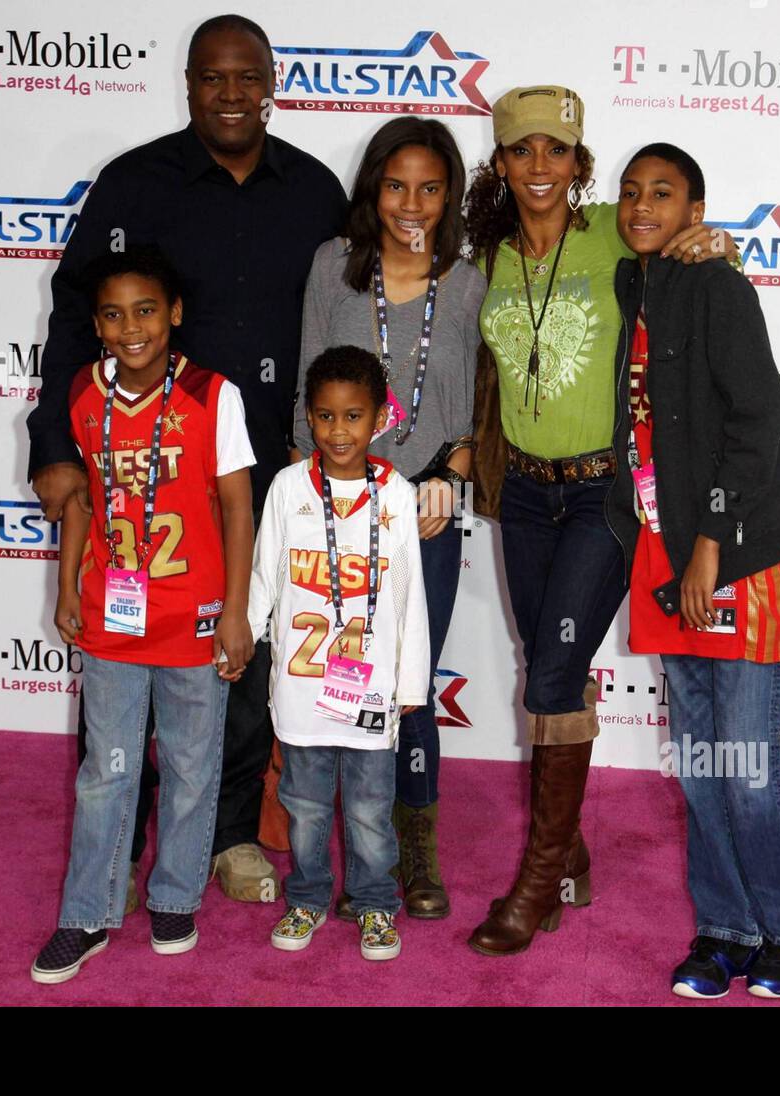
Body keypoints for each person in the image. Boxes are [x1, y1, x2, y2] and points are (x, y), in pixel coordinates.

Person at [26, 14, 347, 903]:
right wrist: (52, 444)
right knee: (122, 673)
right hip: (135, 482)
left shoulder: (316, 190)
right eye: (215, 78)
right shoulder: (134, 185)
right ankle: (121, 849)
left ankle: (230, 837)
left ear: (273, 82)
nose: (233, 94)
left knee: (235, 662)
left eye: (249, 78)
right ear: (190, 85)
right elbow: (70, 319)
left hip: (261, 475)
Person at [464, 86, 735, 956]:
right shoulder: (488, 255)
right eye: (520, 151)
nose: (538, 167)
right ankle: (571, 849)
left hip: (602, 495)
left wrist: (713, 241)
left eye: (556, 151)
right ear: (500, 164)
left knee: (549, 678)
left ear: (580, 166)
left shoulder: (613, 234)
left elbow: (682, 246)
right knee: (549, 668)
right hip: (523, 494)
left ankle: (539, 879)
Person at [616, 143, 780, 998]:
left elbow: (760, 417)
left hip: (737, 555)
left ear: (697, 212)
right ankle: (724, 927)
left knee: (744, 760)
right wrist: (680, 547)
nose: (642, 206)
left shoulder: (717, 285)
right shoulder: (636, 285)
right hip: (663, 551)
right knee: (698, 762)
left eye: (663, 194)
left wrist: (712, 543)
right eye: (630, 194)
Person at [31, 247, 255, 984]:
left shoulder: (212, 395)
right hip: (113, 617)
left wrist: (236, 612)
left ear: (175, 314)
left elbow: (234, 507)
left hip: (193, 616)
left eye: (147, 310)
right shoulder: (82, 393)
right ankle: (88, 912)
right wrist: (66, 588)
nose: (132, 328)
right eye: (114, 314)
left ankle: (175, 895)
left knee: (192, 767)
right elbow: (83, 504)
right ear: (96, 324)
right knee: (107, 771)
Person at [292, 117, 484, 919]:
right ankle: (328, 854)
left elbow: (478, 412)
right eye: (396, 185)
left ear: (451, 196)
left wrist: (454, 471)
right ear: (373, 188)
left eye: (431, 188)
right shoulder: (333, 267)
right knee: (326, 683)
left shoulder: (472, 280)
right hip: (334, 513)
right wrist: (315, 502)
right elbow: (305, 398)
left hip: (424, 520)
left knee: (408, 687)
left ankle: (416, 850)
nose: (412, 204)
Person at [249, 347, 429, 961]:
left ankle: (376, 905)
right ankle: (307, 896)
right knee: (302, 804)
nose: (338, 431)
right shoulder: (286, 487)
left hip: (372, 688)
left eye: (353, 416)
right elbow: (264, 575)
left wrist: (410, 684)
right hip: (301, 687)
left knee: (371, 809)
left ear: (378, 417)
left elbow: (409, 598)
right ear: (308, 417)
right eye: (325, 417)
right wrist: (244, 633)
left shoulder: (397, 495)